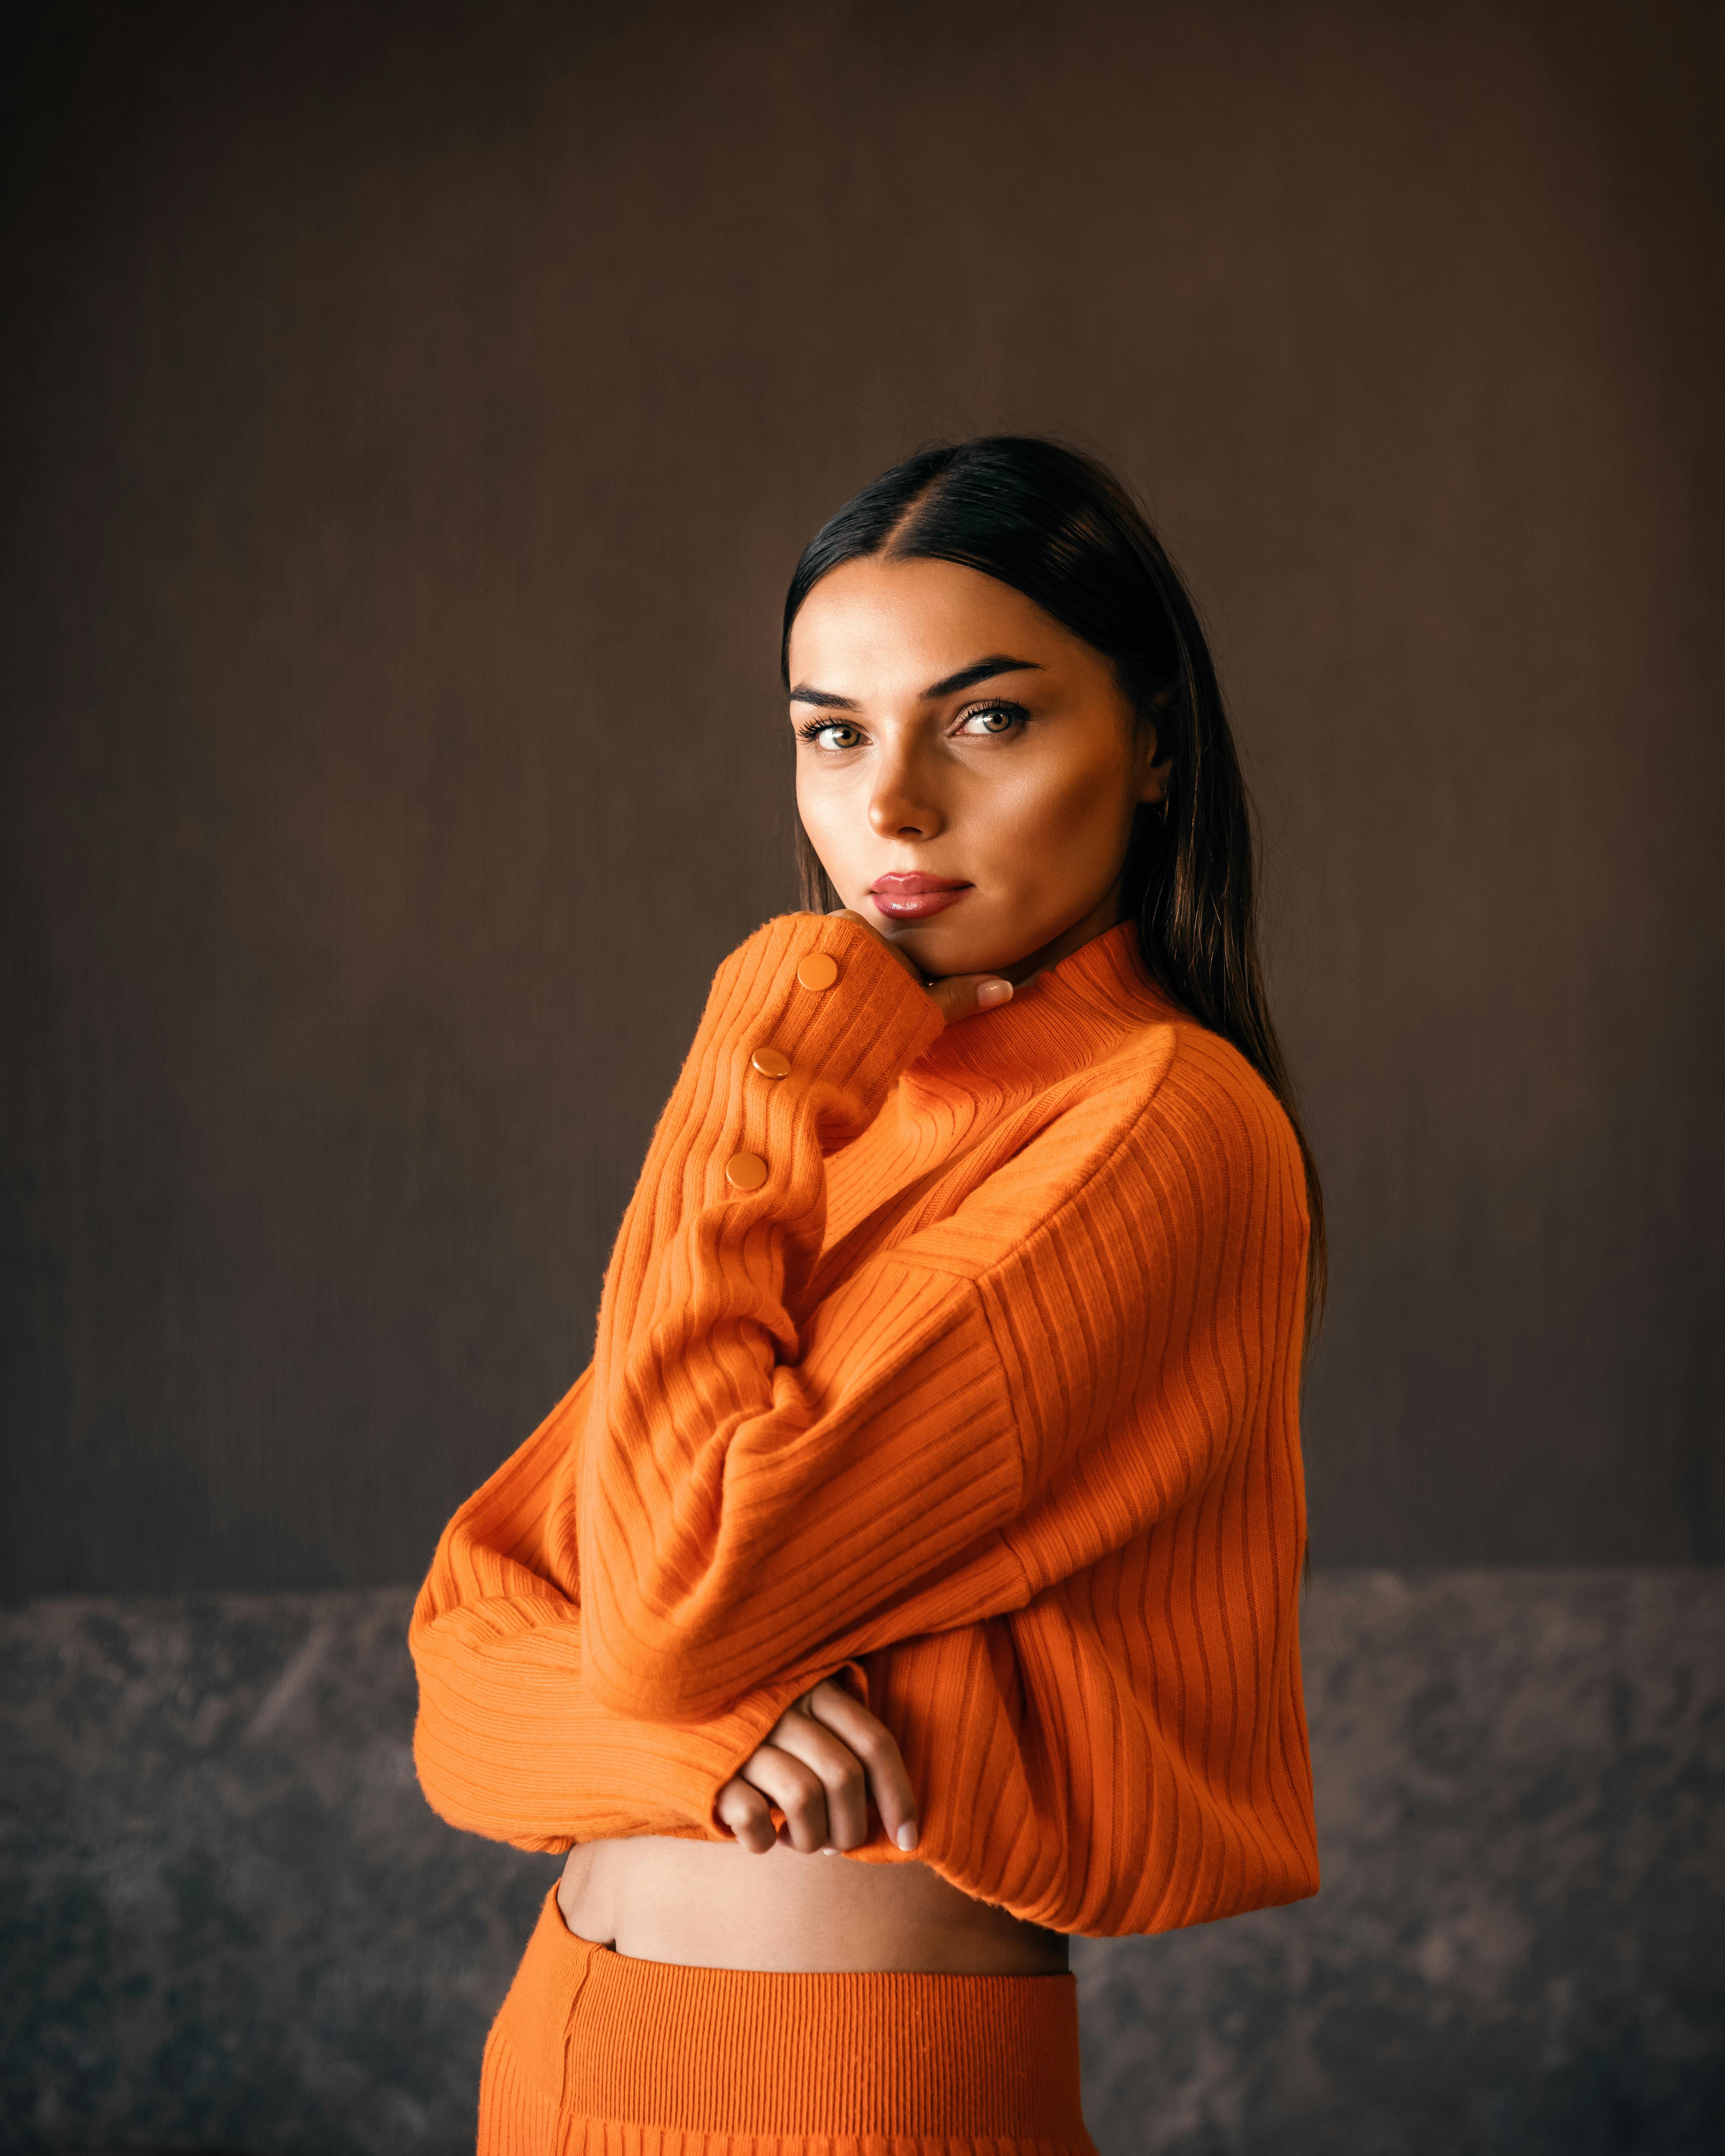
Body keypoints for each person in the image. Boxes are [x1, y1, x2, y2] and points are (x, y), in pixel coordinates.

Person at [409, 435, 1324, 2154]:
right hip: (560, 2046)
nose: (887, 808)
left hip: (845, 2089)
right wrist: (700, 1735)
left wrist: (759, 1031)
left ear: (1150, 747)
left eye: (986, 719)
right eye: (832, 733)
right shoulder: (874, 1104)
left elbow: (668, 1601)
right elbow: (462, 1660)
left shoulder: (1157, 1128)